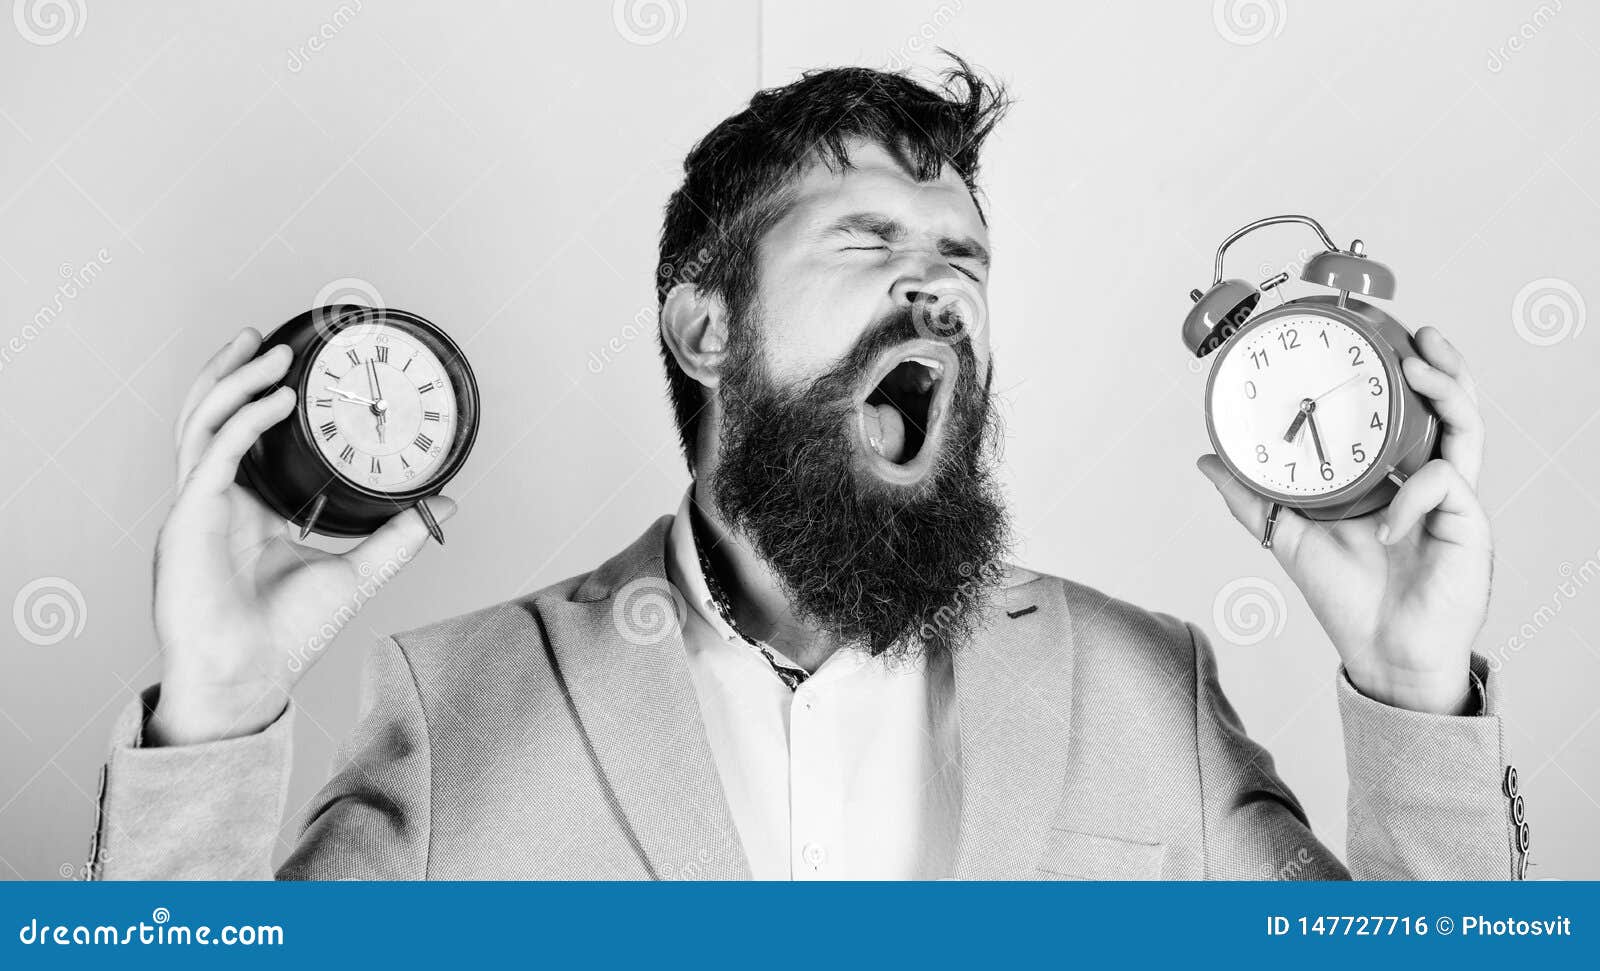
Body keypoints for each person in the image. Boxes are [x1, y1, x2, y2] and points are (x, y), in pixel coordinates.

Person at [87, 57, 1521, 880]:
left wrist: (1413, 689)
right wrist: (215, 710)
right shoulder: (460, 701)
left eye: (962, 259)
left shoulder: (1154, 692)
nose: (937, 289)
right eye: (867, 241)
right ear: (706, 329)